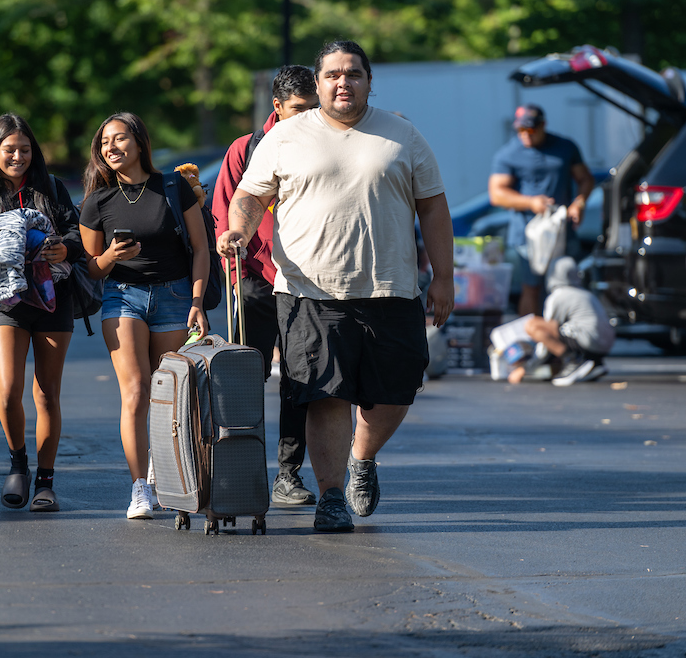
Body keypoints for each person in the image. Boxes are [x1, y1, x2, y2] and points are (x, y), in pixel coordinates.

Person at [218, 40, 454, 533]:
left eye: (353, 74)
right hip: (309, 291)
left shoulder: (401, 135)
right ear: (319, 81)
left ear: (369, 81)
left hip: (391, 288)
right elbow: (250, 195)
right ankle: (330, 497)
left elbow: (432, 205)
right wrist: (237, 230)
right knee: (324, 395)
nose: (342, 82)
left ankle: (361, 460)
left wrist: (444, 277)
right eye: (332, 75)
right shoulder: (286, 137)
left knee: (398, 390)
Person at [79, 112, 211, 520]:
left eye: (119, 139)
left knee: (167, 394)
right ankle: (139, 488)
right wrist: (111, 256)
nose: (111, 148)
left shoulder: (173, 187)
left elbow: (200, 249)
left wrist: (197, 302)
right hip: (122, 298)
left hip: (174, 297)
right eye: (104, 143)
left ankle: (163, 466)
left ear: (138, 142)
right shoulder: (97, 201)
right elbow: (89, 270)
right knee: (135, 389)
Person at [0, 113, 81, 512]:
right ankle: (18, 464)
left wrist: (64, 246)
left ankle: (46, 483)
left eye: (24, 149)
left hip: (53, 299)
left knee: (46, 394)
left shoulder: (52, 188)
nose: (17, 156)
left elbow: (78, 233)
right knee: (9, 392)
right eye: (9, 149)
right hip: (7, 303)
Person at [212, 64, 319, 507]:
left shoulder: (323, 141)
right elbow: (224, 210)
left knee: (299, 381)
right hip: (254, 279)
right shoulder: (247, 147)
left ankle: (288, 475)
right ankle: (241, 469)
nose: (309, 116)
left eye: (314, 107)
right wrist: (235, 278)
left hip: (304, 284)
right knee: (245, 381)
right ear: (276, 107)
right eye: (299, 109)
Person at [488, 104, 595, 316]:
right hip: (528, 233)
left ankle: (564, 338)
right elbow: (496, 194)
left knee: (567, 284)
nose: (525, 135)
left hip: (562, 231)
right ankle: (532, 340)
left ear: (543, 125)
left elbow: (586, 180)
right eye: (520, 130)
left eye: (531, 129)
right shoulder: (508, 154)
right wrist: (530, 203)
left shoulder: (565, 147)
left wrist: (579, 203)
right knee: (532, 287)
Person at [507, 257, 616, 386]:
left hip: (587, 340)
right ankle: (594, 363)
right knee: (565, 326)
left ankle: (572, 361)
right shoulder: (586, 294)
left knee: (533, 325)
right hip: (604, 345)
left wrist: (526, 368)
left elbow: (546, 340)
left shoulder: (558, 295)